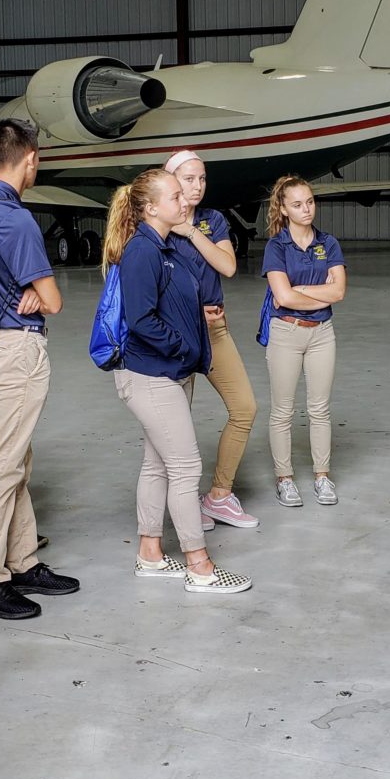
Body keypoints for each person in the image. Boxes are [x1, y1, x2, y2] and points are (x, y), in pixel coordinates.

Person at [104, 169, 252, 594]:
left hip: (167, 372)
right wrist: (184, 349)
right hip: (152, 375)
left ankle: (150, 554)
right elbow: (141, 319)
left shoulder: (166, 246)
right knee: (186, 467)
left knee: (158, 464)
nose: (184, 201)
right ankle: (200, 565)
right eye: (174, 196)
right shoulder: (142, 251)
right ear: (151, 208)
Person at [0, 118, 79, 620]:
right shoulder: (14, 218)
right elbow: (52, 300)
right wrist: (38, 293)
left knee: (16, 461)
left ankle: (22, 560)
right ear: (30, 159)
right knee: (4, 466)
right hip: (17, 349)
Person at [164, 150, 259, 531]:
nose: (198, 186)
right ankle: (184, 507)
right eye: (189, 179)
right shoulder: (156, 222)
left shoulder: (211, 220)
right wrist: (188, 311)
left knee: (245, 408)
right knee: (175, 426)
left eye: (202, 179)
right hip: (178, 335)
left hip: (216, 332)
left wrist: (191, 232)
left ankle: (219, 496)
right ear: (171, 180)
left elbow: (228, 266)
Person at [261, 175, 347, 507]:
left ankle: (322, 476)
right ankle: (285, 479)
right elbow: (281, 298)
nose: (306, 209)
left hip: (322, 334)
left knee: (319, 409)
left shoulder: (329, 243)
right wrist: (316, 294)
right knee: (282, 411)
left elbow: (338, 292)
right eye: (297, 204)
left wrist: (301, 293)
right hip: (285, 333)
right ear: (283, 208)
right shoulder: (276, 247)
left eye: (309, 201)